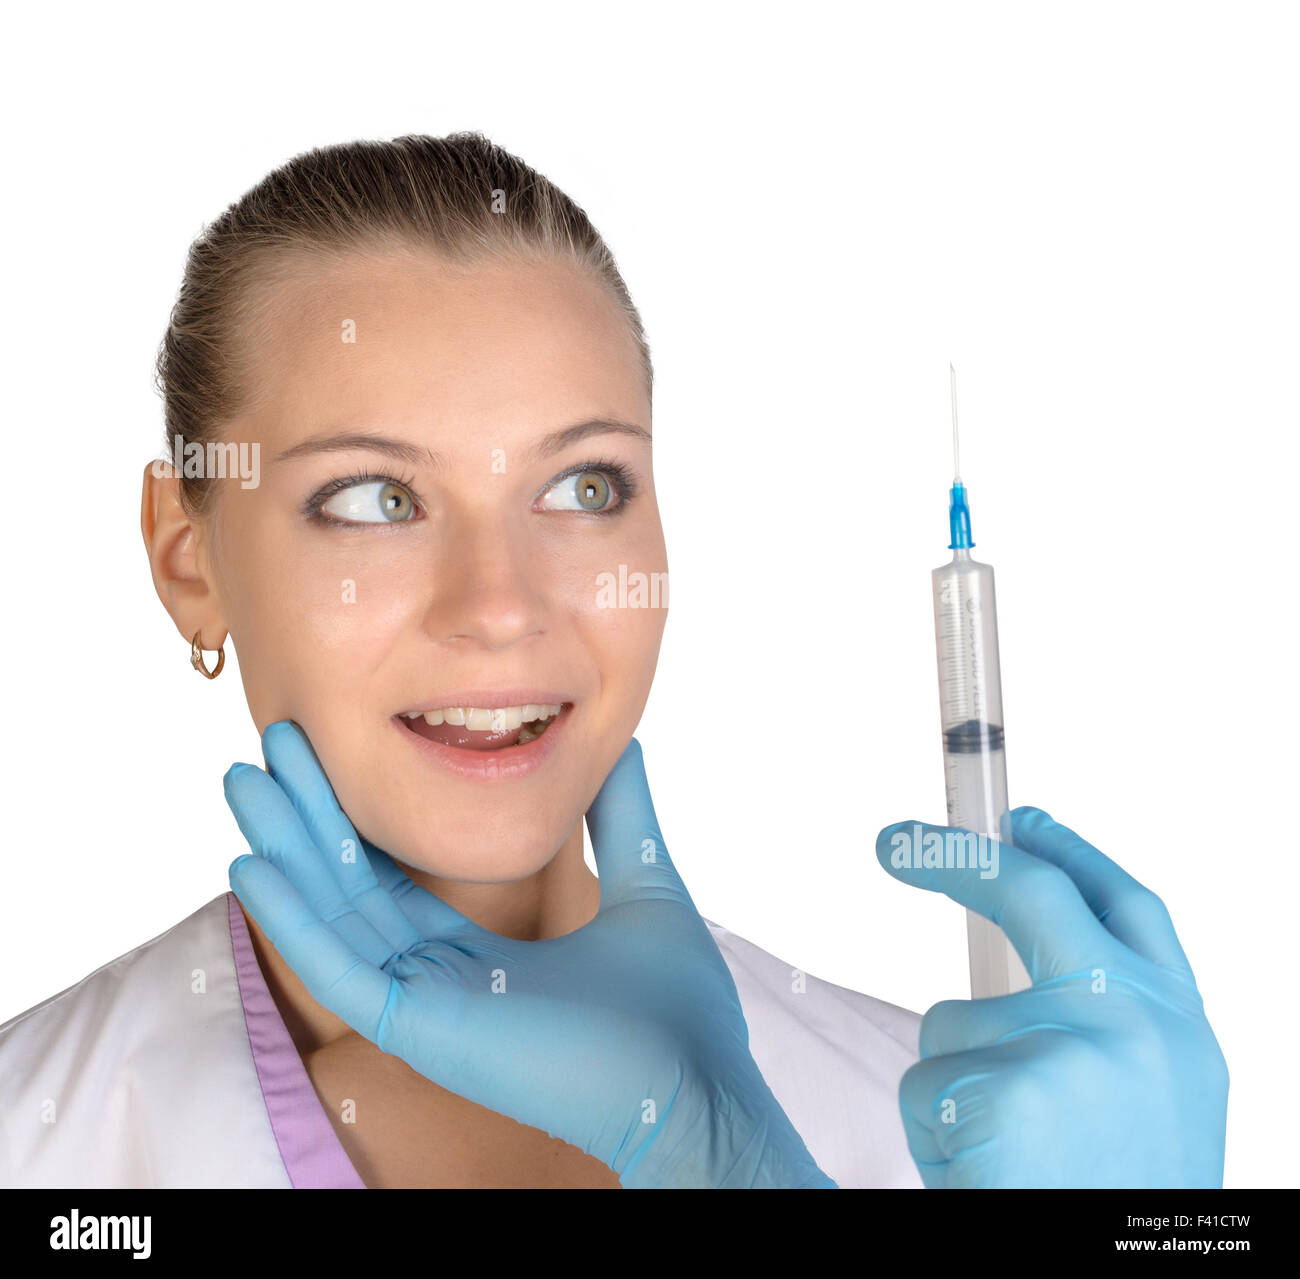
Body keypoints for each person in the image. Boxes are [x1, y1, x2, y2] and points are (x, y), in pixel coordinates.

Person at [0, 134, 1227, 1189]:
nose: (498, 606)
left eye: (583, 486)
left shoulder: (956, 1127)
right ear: (185, 555)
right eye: (374, 497)